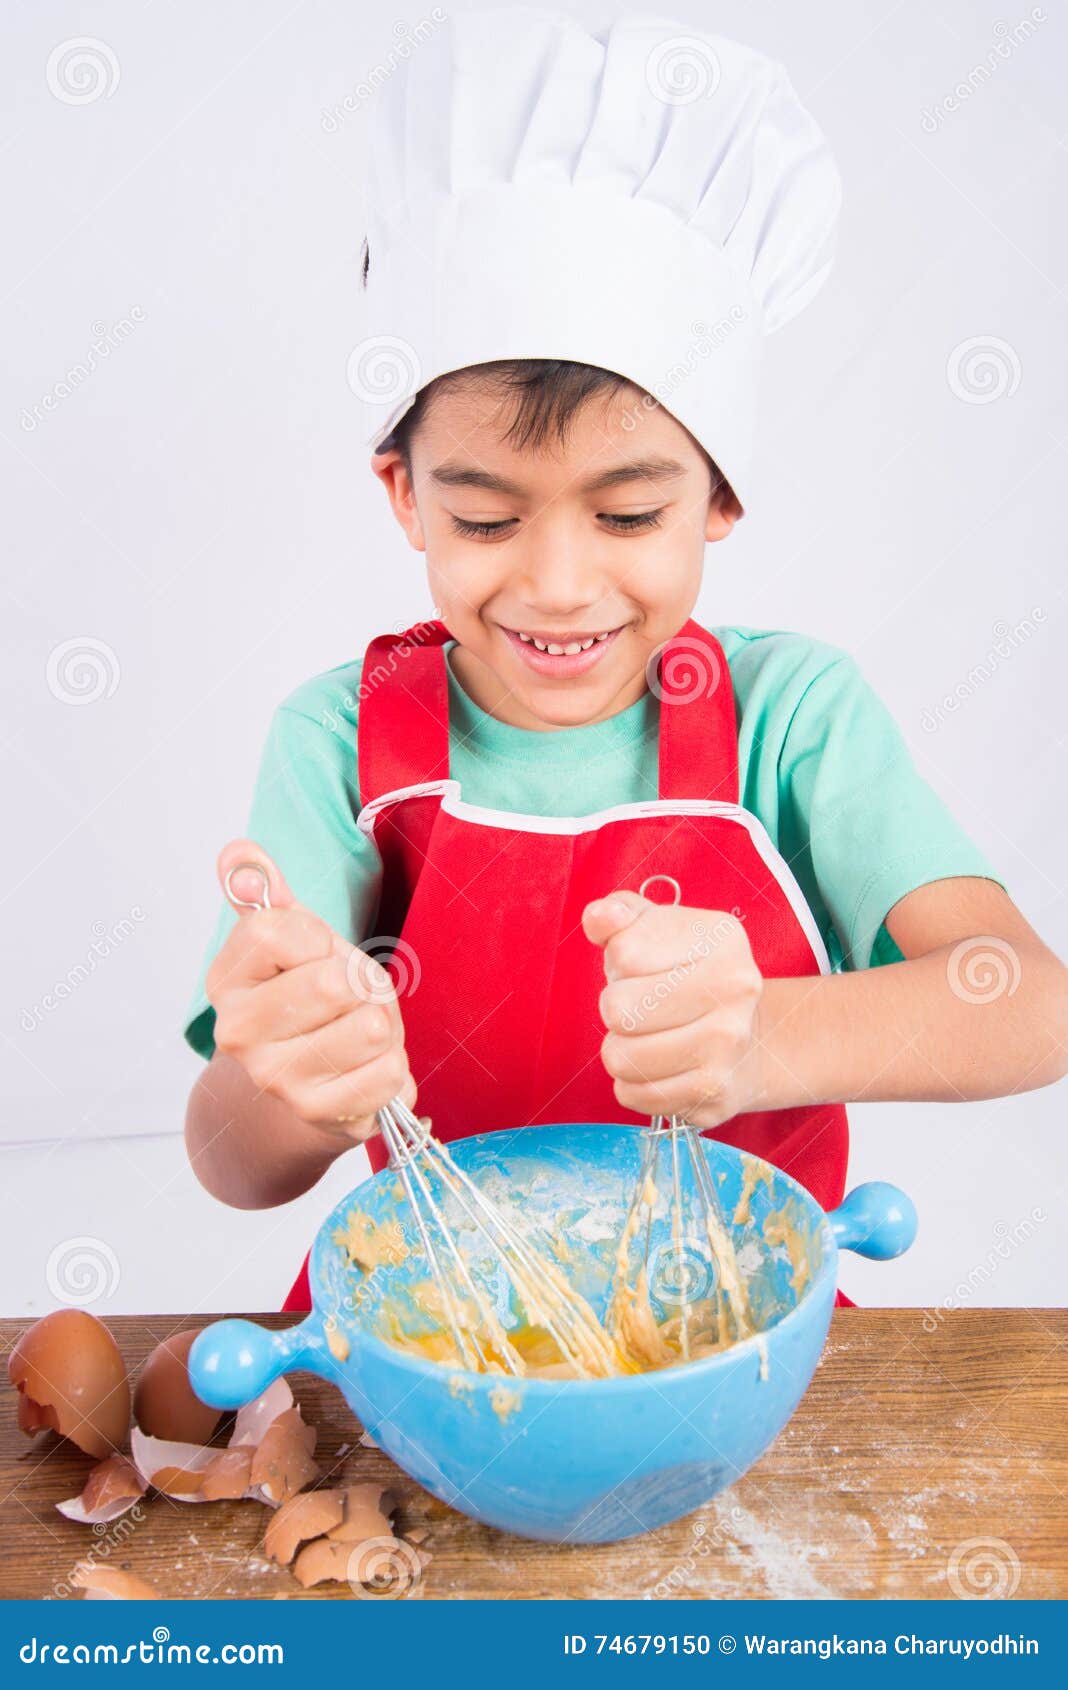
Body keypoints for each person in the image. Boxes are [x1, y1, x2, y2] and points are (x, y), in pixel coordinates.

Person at [183, 10, 1068, 1312]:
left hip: (739, 1335)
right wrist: (293, 1087)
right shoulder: (341, 742)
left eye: (630, 513)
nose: (557, 584)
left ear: (720, 498)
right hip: (443, 1334)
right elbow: (229, 1162)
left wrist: (764, 1037)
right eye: (486, 519)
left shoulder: (787, 715)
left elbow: (1028, 1004)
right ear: (406, 495)